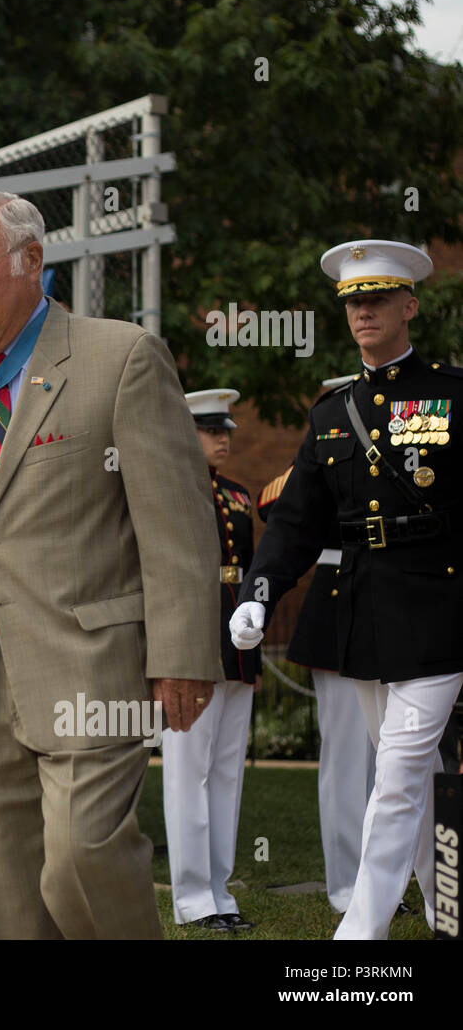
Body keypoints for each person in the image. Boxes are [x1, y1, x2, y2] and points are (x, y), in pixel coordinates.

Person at [0, 187, 222, 940]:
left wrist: (184, 655)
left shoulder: (122, 357)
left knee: (80, 858)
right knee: (14, 901)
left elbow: (177, 527)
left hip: (93, 668)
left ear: (32, 260)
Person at [231, 239, 463, 940]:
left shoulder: (452, 396)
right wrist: (259, 590)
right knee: (413, 781)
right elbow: (297, 521)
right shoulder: (332, 415)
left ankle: (359, 933)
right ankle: (445, 907)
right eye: (353, 302)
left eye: (377, 299)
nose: (363, 311)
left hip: (438, 608)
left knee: (394, 776)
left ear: (409, 305)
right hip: (363, 612)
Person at [256, 457, 377, 917]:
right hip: (338, 597)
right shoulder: (332, 444)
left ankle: (379, 880)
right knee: (347, 760)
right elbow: (275, 502)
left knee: (387, 759)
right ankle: (347, 885)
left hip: (390, 597)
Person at [161, 389, 260, 932]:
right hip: (190, 642)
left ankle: (219, 891)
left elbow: (242, 570)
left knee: (225, 773)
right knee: (188, 773)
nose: (222, 438)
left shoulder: (240, 495)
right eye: (210, 429)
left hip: (234, 642)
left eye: (225, 430)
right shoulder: (170, 491)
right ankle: (193, 897)